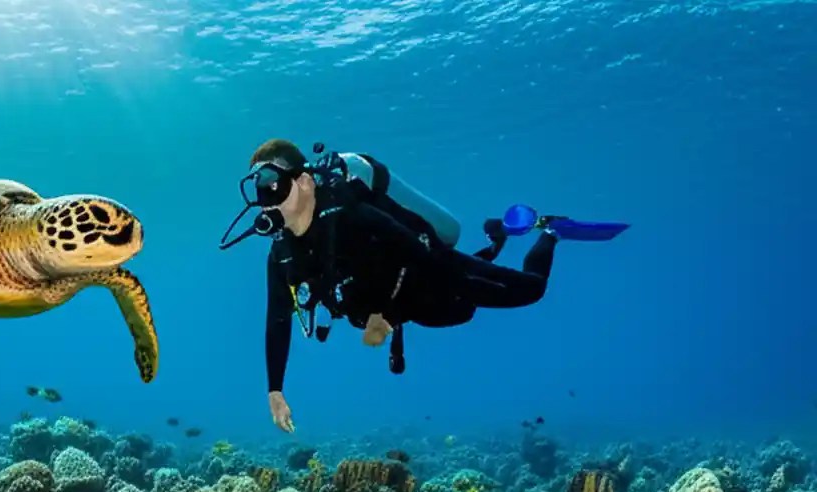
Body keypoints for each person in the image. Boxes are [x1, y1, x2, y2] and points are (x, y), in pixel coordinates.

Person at [229, 138, 602, 433]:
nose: (265, 203)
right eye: (259, 192)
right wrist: (275, 391)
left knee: (530, 290)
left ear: (305, 181)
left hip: (431, 277)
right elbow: (277, 319)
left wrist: (386, 314)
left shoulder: (352, 216)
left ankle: (550, 231)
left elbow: (418, 255)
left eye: (272, 187)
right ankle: (496, 238)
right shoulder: (282, 255)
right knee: (457, 307)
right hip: (409, 310)